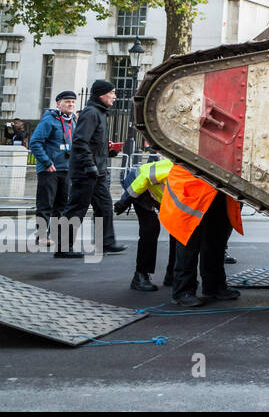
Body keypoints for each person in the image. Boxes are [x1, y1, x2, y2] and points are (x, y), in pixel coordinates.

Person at [55, 79, 126, 258]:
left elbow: (92, 142)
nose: (114, 97)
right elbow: (79, 141)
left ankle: (107, 243)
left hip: (98, 172)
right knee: (76, 208)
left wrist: (107, 152)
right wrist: (89, 165)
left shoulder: (99, 112)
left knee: (104, 207)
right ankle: (63, 248)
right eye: (112, 93)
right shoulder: (91, 113)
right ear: (102, 94)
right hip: (86, 172)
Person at [157, 161, 244, 307]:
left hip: (214, 189)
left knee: (215, 242)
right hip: (194, 191)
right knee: (189, 244)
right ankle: (183, 291)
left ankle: (214, 286)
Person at [113, 142, 179, 292]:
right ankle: (140, 276)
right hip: (137, 184)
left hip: (153, 193)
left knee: (177, 231)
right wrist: (125, 200)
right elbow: (143, 177)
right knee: (151, 228)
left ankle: (173, 275)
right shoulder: (173, 168)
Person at [28, 91, 78, 245]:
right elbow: (35, 142)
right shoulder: (49, 120)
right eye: (67, 101)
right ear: (58, 104)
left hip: (66, 169)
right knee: (46, 204)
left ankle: (55, 235)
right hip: (49, 169)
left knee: (62, 205)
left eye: (73, 102)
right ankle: (41, 236)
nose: (70, 104)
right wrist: (47, 162)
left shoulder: (73, 121)